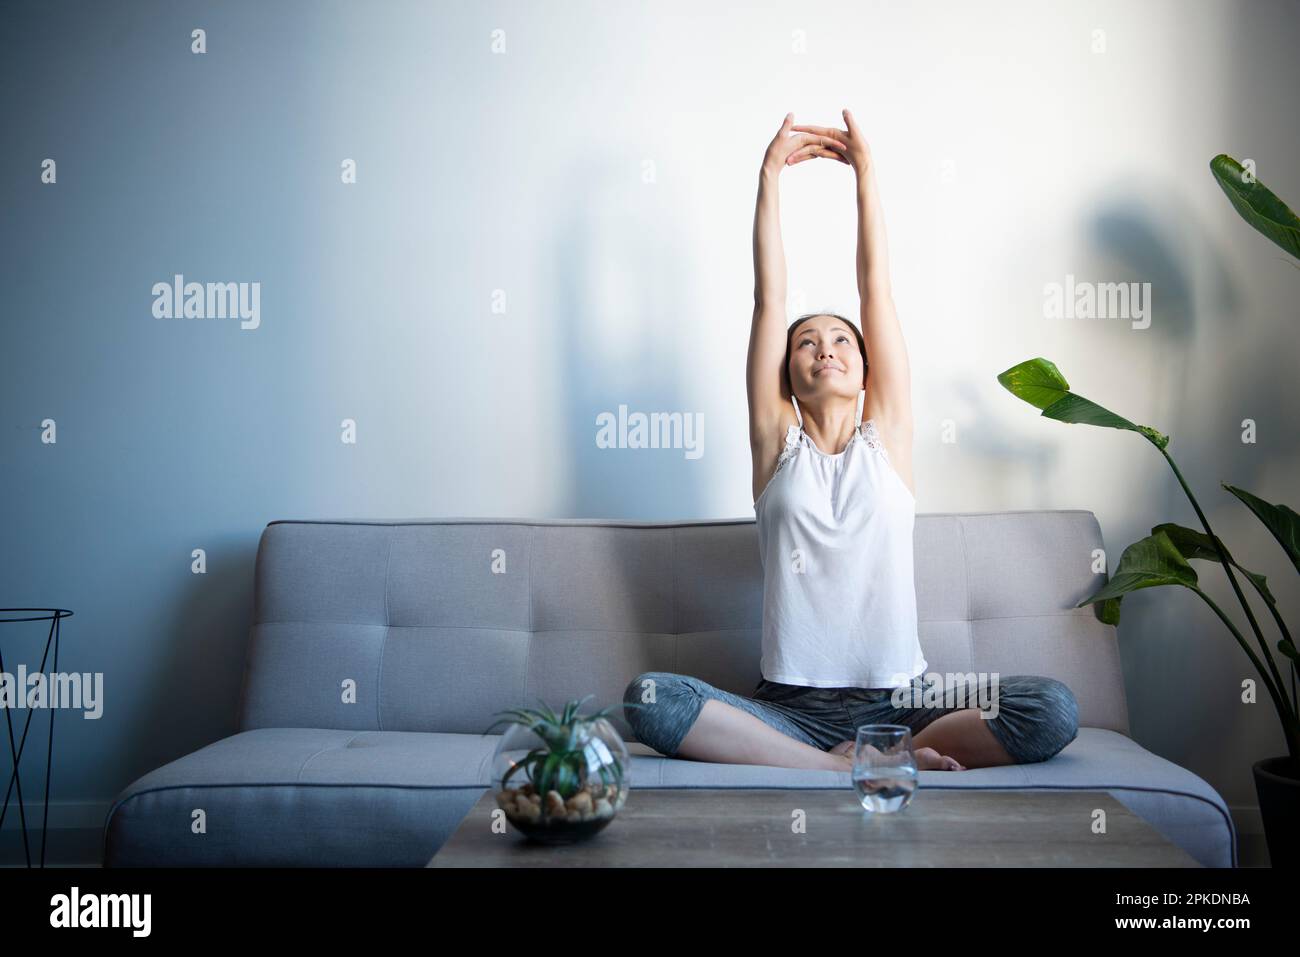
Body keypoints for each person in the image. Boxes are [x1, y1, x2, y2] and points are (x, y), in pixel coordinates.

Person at [624, 110, 1079, 773]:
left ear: (867, 372)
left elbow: (877, 291)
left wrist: (865, 175)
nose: (825, 349)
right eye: (807, 343)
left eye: (841, 340)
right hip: (791, 709)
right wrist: (768, 176)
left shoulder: (886, 437)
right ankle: (850, 764)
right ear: (788, 373)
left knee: (1052, 707)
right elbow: (767, 300)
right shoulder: (775, 443)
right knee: (651, 698)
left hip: (913, 696)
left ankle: (882, 745)